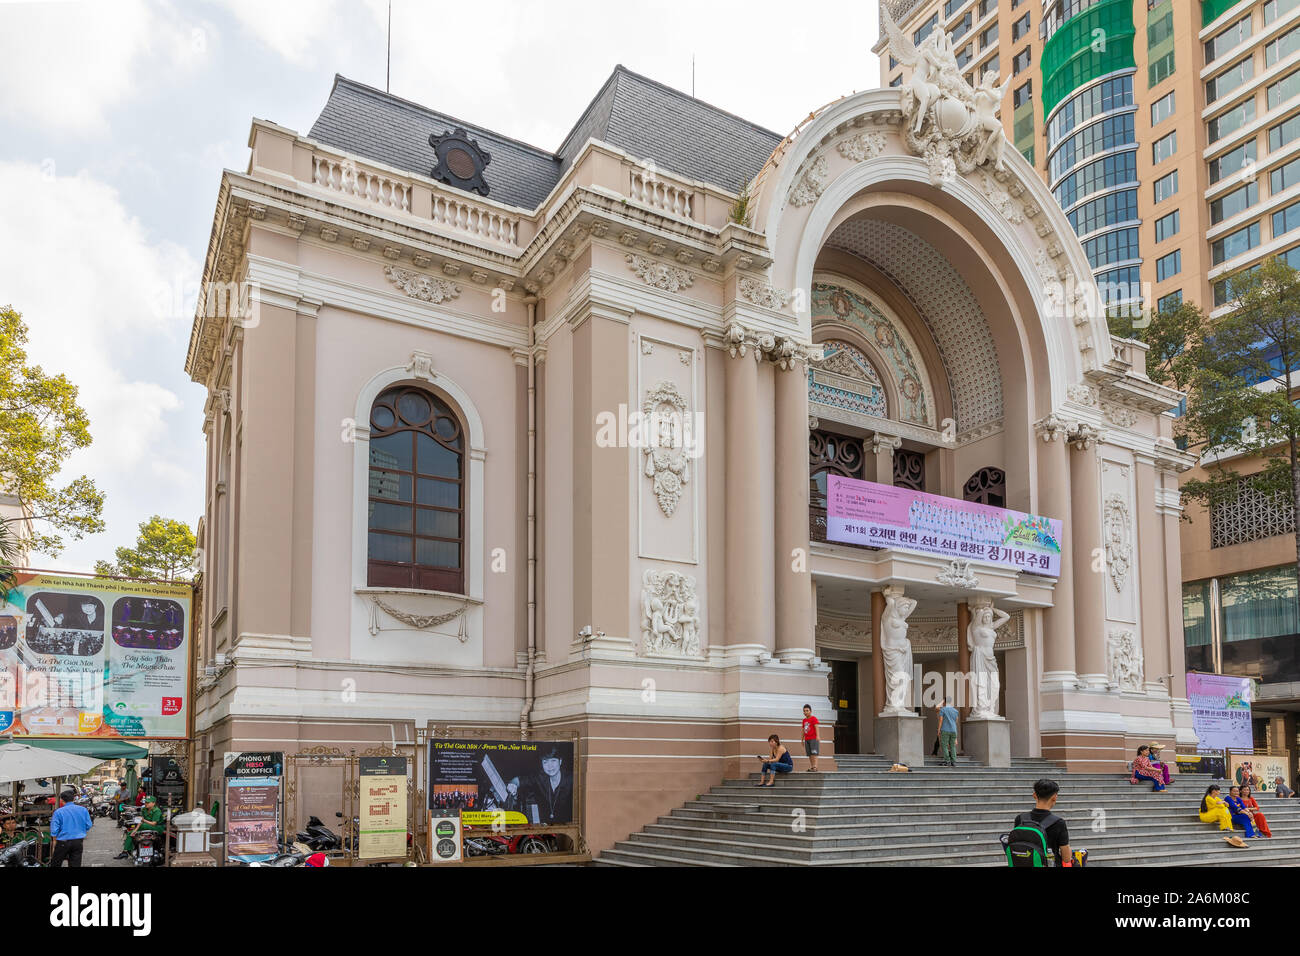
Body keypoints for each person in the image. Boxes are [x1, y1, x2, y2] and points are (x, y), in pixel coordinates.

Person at [1008, 779, 1074, 866]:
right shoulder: (1058, 823)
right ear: (1054, 797)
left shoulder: (1020, 819)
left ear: (1034, 795)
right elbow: (1066, 858)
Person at [49, 788, 92, 868]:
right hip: (78, 842)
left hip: (63, 841)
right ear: (73, 798)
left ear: (62, 800)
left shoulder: (58, 812)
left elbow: (54, 830)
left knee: (56, 863)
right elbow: (88, 825)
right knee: (75, 864)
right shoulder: (83, 810)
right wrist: (79, 830)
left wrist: (54, 840)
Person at [116, 794, 165, 860]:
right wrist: (135, 830)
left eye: (148, 802)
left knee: (141, 826)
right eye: (145, 802)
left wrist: (143, 821)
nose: (146, 804)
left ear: (153, 803)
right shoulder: (144, 809)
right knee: (130, 833)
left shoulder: (157, 810)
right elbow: (140, 821)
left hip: (157, 827)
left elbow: (153, 823)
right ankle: (125, 852)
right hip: (146, 826)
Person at [937, 697, 959, 767]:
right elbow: (956, 722)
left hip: (945, 730)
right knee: (952, 746)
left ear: (944, 702)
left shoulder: (943, 710)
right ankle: (953, 761)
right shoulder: (956, 711)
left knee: (944, 745)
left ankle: (947, 761)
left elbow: (940, 720)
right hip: (953, 730)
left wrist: (938, 730)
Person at [800, 704, 820, 772]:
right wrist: (802, 739)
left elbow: (816, 727)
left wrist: (818, 736)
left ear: (810, 711)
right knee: (809, 754)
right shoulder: (804, 720)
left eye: (807, 710)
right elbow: (803, 730)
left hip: (813, 738)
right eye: (804, 711)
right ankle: (812, 767)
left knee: (814, 753)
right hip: (807, 739)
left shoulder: (813, 718)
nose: (805, 712)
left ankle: (815, 767)